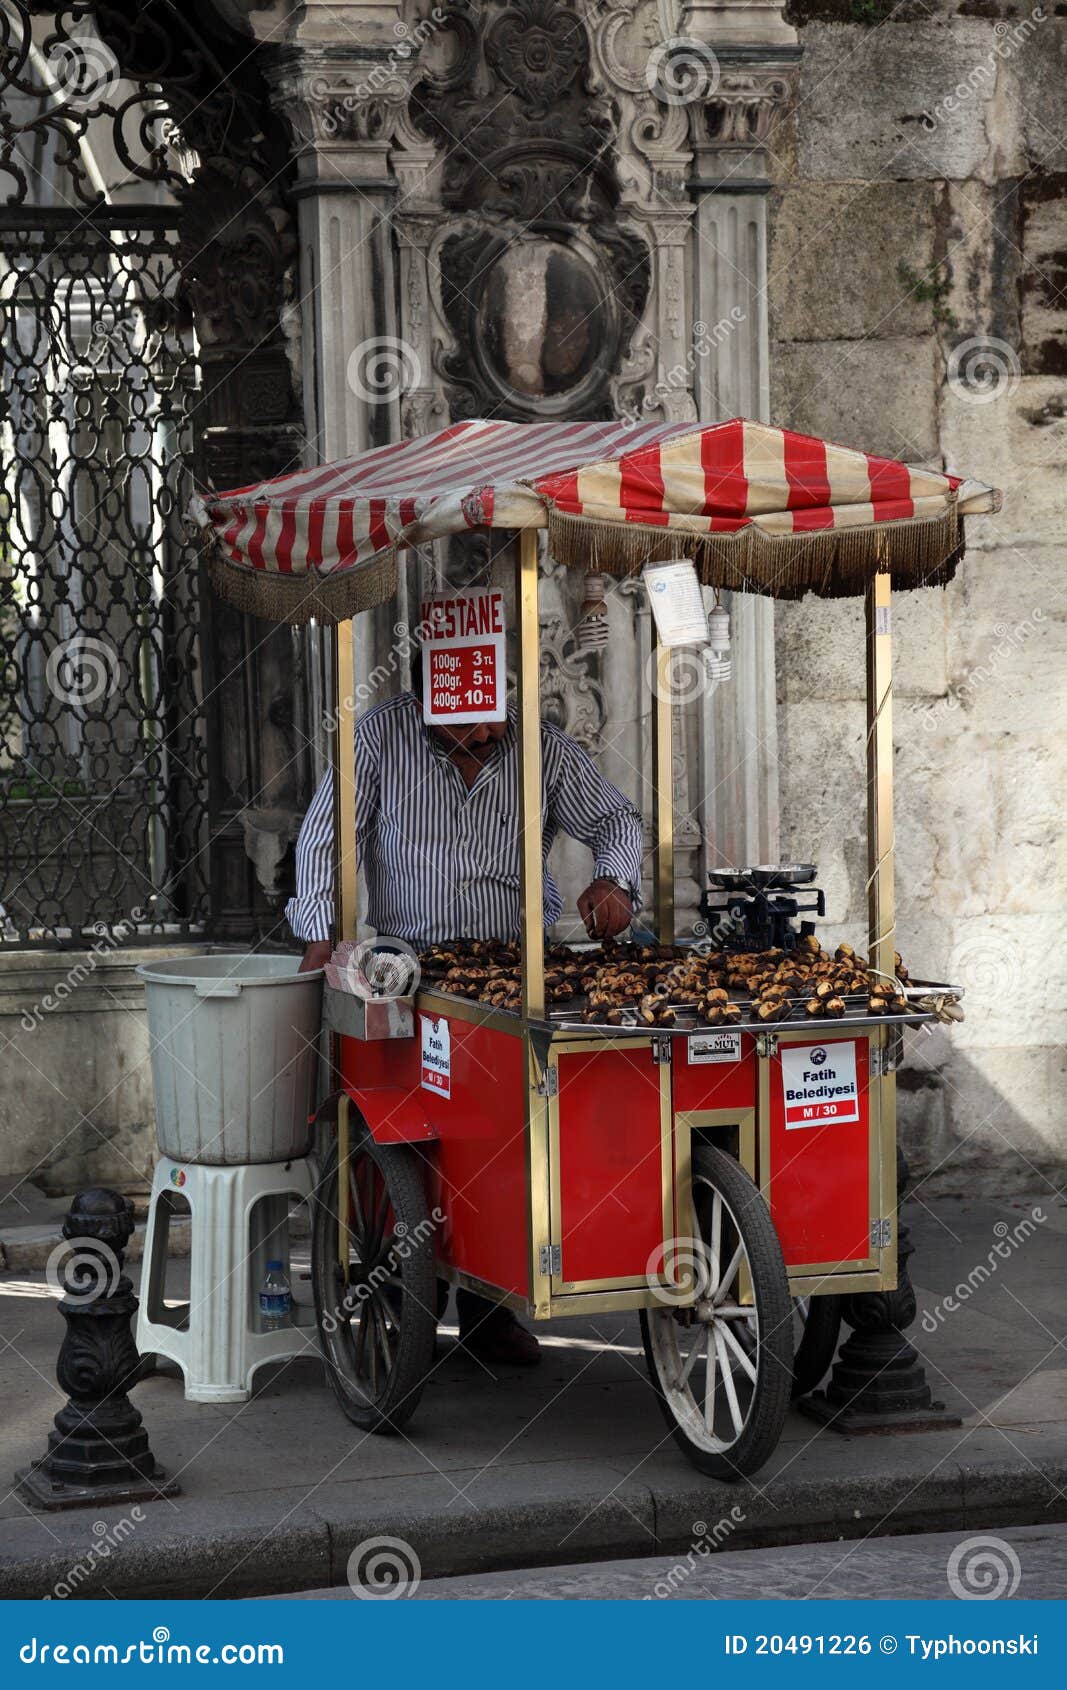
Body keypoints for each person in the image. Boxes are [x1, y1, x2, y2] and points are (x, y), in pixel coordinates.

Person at [288, 686, 644, 1365]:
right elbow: (324, 839)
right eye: (462, 729)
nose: (481, 739)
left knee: (502, 1135)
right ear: (429, 703)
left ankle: (491, 1306)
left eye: (490, 725)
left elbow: (615, 819)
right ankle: (404, 1298)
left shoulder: (541, 747)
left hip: (512, 971)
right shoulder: (377, 739)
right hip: (413, 973)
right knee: (420, 1141)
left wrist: (615, 880)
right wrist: (317, 934)